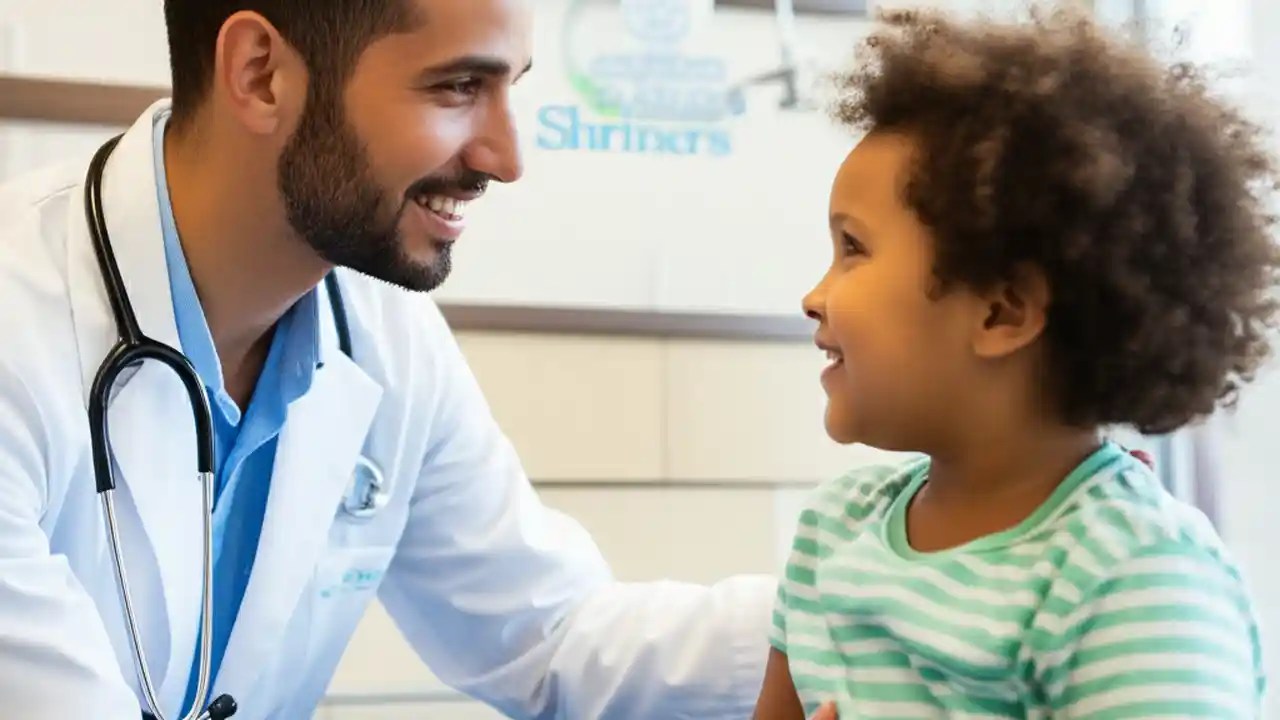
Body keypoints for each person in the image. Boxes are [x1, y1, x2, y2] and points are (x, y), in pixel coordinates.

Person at [0, 1, 797, 717]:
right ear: (260, 74)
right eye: (457, 88)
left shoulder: (380, 330)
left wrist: (845, 607)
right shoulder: (19, 319)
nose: (506, 156)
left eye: (510, 86)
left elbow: (552, 639)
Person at [755, 8, 1277, 719]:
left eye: (853, 249)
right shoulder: (833, 532)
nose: (815, 296)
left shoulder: (1136, 578)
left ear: (1001, 313)